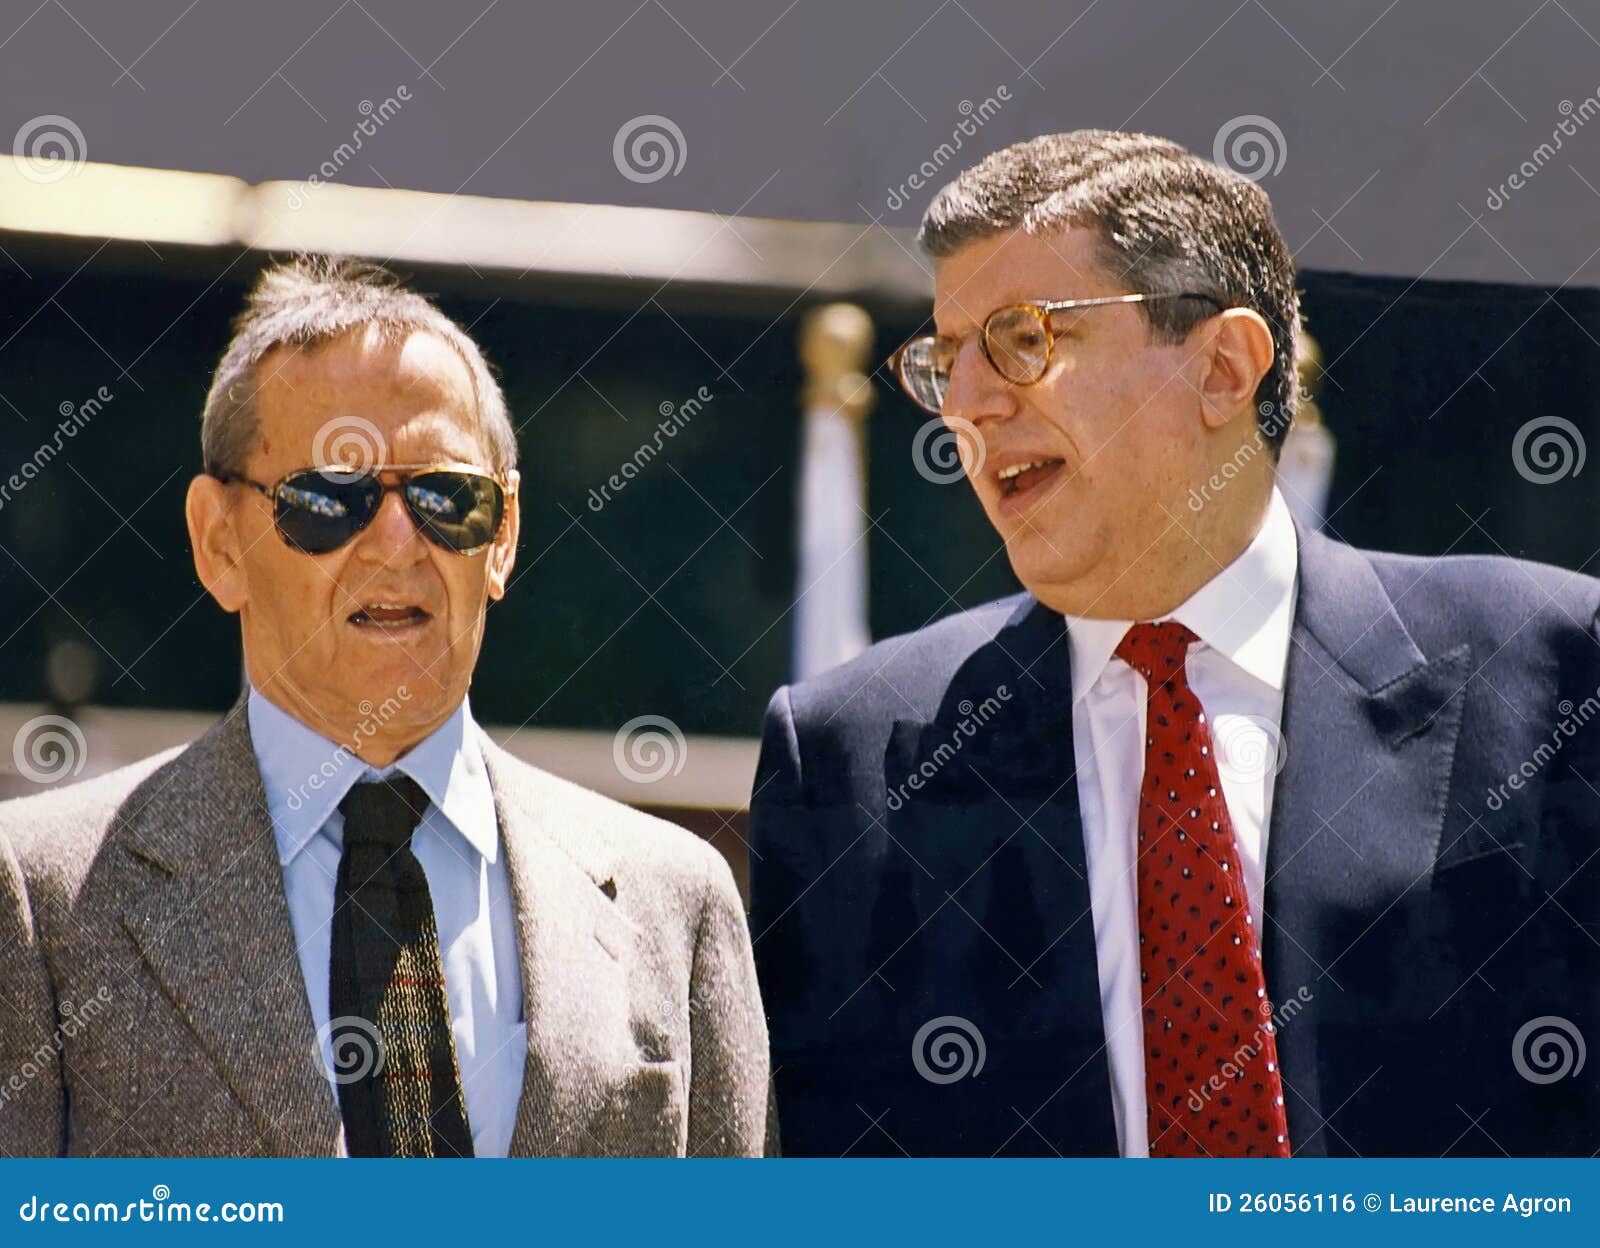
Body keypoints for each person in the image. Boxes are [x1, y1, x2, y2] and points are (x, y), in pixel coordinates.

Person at [749, 131, 1600, 1157]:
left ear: (1221, 368)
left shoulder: (1552, 673)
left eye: (1022, 339)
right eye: (944, 361)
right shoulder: (848, 755)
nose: (967, 406)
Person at [0, 257, 768, 1158]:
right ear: (219, 544)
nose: (398, 542)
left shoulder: (676, 904)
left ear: (503, 537)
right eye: (332, 497)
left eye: (447, 497)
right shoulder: (43, 900)